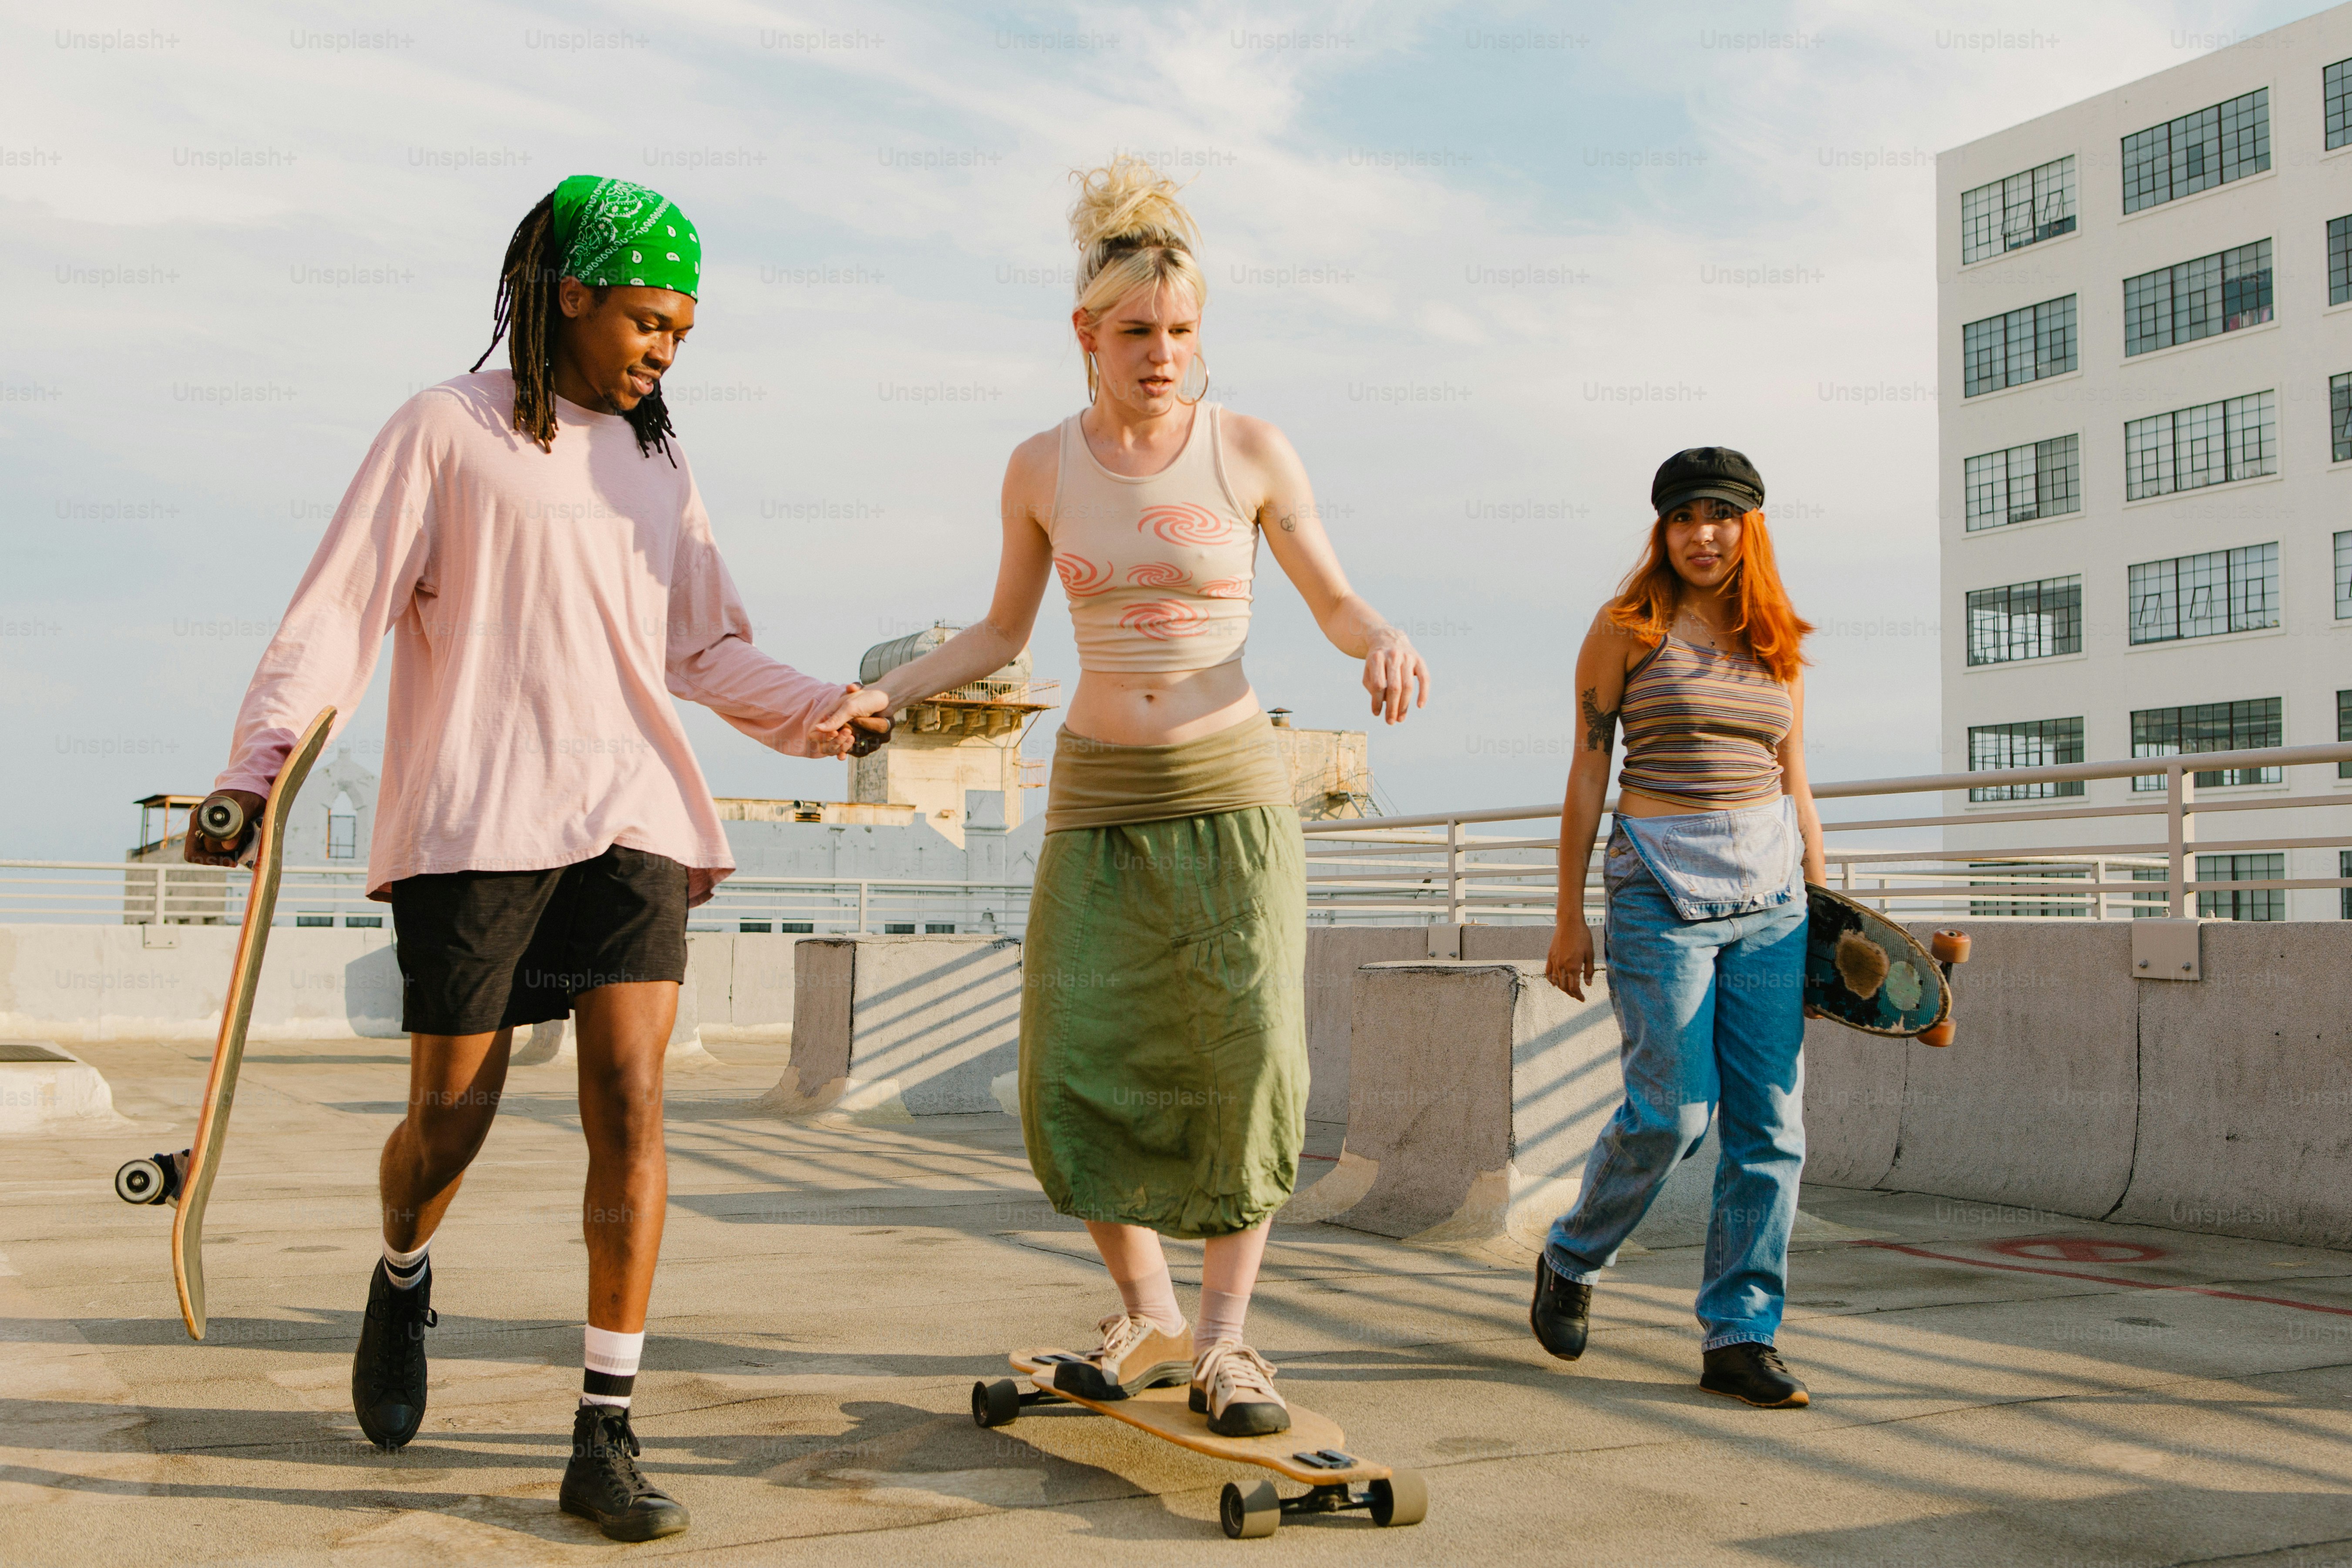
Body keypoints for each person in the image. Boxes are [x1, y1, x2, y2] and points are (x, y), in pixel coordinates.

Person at [186, 176, 879, 1541]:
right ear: (567, 296)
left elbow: (701, 647)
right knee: (451, 1116)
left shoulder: (658, 464)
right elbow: (338, 614)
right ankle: (402, 1271)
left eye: (682, 332)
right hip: (475, 818)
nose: (664, 351)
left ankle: (603, 1430)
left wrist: (822, 710)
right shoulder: (443, 430)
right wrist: (254, 772)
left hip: (632, 812)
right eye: (646, 321)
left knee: (631, 1095)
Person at [823, 155, 1428, 1437]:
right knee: (1074, 1053)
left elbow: (1330, 596)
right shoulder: (1040, 467)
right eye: (1138, 332)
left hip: (1229, 789)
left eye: (1182, 332)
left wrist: (1379, 634)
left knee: (1247, 1058)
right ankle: (1147, 1309)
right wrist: (885, 691)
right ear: (1085, 335)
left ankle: (1226, 1342)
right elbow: (999, 633)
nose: (1163, 356)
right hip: (1097, 792)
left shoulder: (1248, 449)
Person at [1529, 446, 1824, 1409]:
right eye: (1684, 517)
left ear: (1750, 526)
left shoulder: (1775, 638)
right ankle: (1573, 1255)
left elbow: (1796, 780)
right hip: (1657, 891)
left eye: (1722, 515)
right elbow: (1587, 772)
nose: (1704, 534)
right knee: (1673, 1115)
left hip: (1772, 903)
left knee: (1771, 1127)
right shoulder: (1626, 628)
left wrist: (1821, 905)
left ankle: (1741, 1333)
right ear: (1661, 530)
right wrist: (1569, 913)